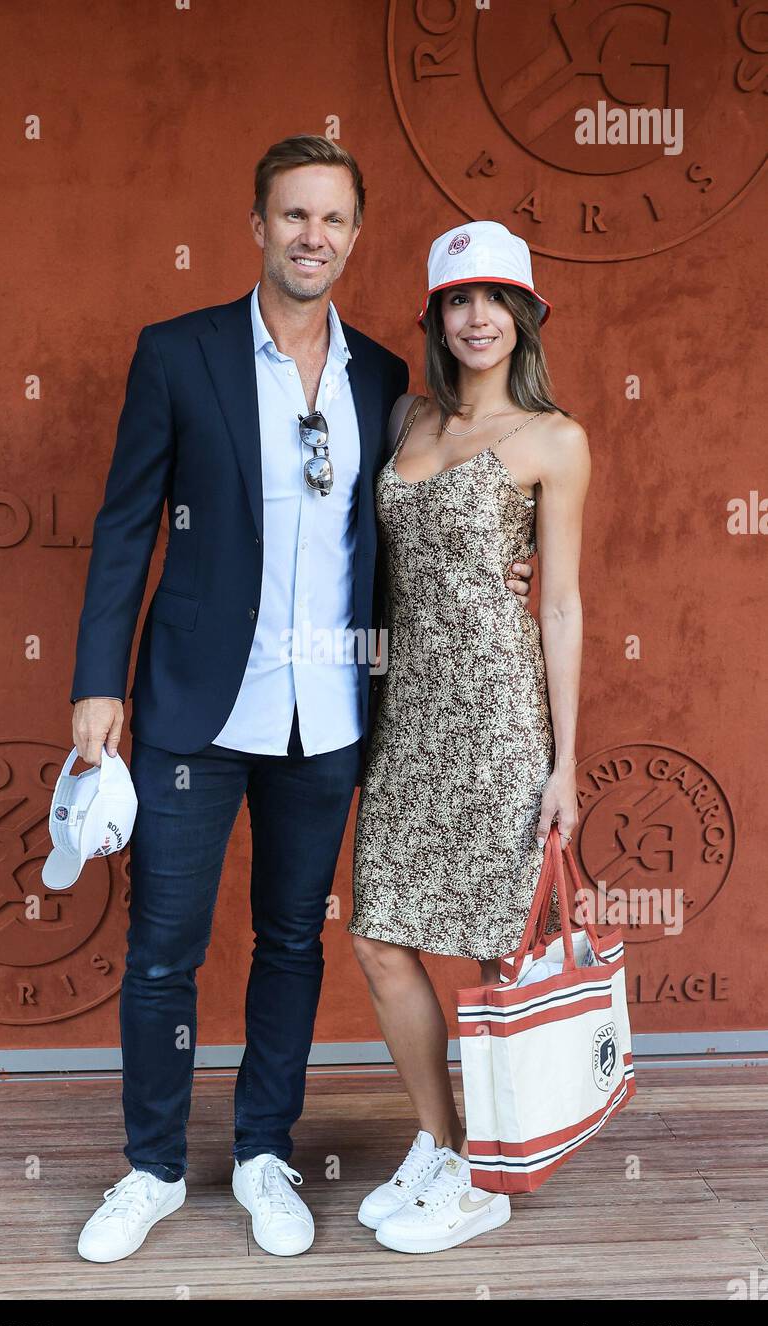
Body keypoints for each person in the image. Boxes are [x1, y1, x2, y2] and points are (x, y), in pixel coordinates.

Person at [67, 141, 537, 1262]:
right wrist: (95, 681)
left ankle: (268, 1155)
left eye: (332, 219)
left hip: (329, 713)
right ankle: (153, 1167)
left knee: (292, 941)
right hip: (193, 705)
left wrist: (497, 578)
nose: (312, 236)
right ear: (258, 225)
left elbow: (431, 520)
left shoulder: (385, 382)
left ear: (355, 236)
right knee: (163, 950)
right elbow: (128, 523)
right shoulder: (177, 355)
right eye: (293, 216)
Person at [347, 220, 591, 1255]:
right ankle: (444, 1146)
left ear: (526, 315)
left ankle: (489, 1173)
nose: (478, 316)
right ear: (437, 317)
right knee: (377, 933)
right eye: (458, 299)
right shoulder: (406, 413)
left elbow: (565, 603)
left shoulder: (556, 438)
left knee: (500, 950)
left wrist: (565, 761)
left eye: (497, 298)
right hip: (404, 714)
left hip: (498, 717)